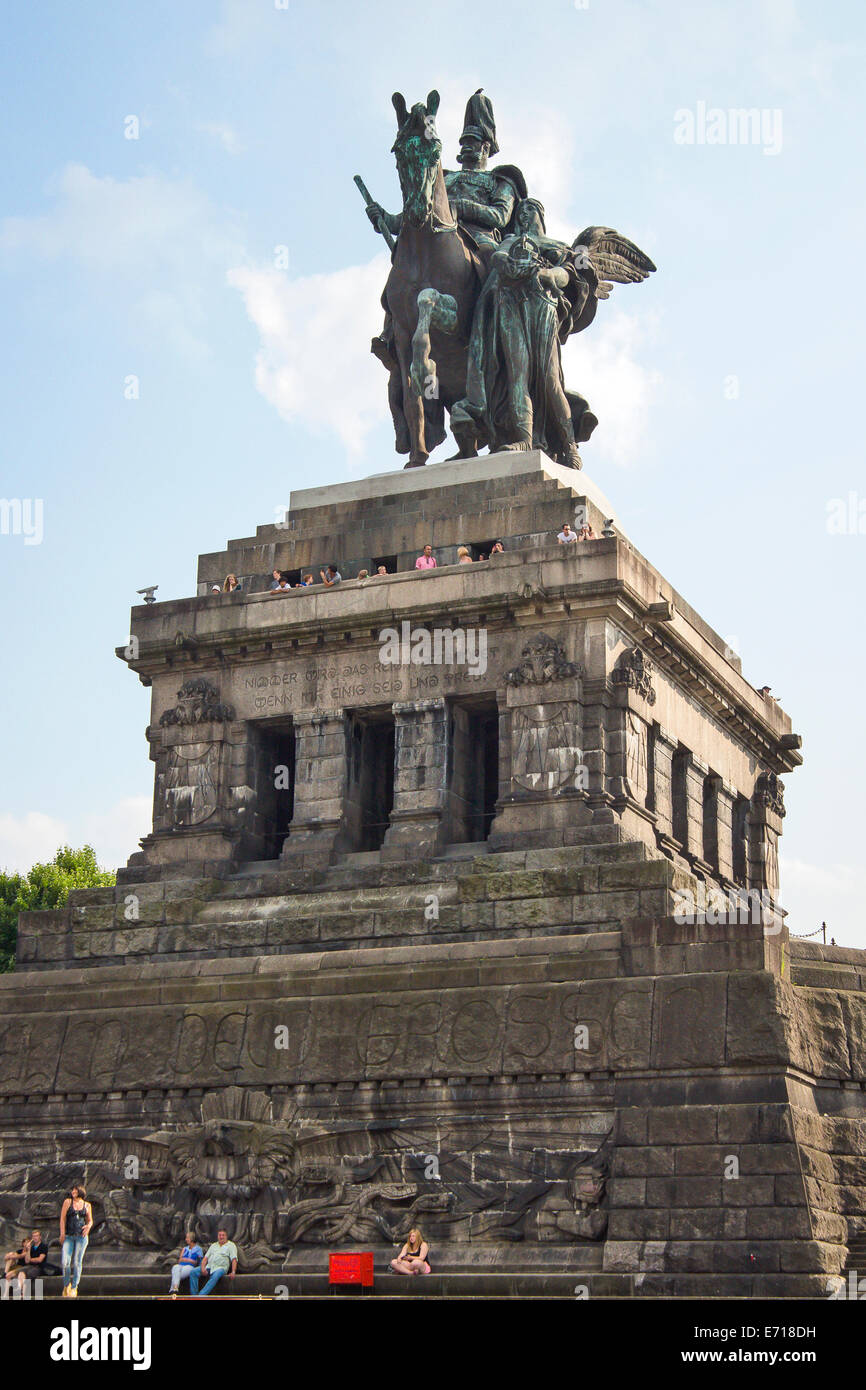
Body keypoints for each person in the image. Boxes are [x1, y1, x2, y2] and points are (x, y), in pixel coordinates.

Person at [60, 1184, 92, 1298]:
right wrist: (62, 1233)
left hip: (81, 1237)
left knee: (77, 1262)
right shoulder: (67, 1202)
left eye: (75, 1190)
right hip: (69, 1236)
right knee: (65, 1262)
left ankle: (74, 1287)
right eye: (72, 1189)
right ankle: (66, 1284)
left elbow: (90, 1220)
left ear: (80, 1191)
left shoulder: (87, 1205)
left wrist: (88, 1227)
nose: (73, 1191)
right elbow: (63, 1219)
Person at [190, 1229, 238, 1297]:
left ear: (226, 1236)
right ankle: (194, 1296)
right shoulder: (213, 1245)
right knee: (193, 1272)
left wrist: (233, 1271)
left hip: (221, 1268)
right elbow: (205, 1258)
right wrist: (203, 1268)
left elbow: (234, 1259)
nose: (221, 1237)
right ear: (217, 1236)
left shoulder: (231, 1245)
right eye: (219, 1235)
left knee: (215, 1276)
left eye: (223, 1235)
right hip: (209, 1267)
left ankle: (201, 1296)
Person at [3, 1230, 49, 1297]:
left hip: (38, 1267)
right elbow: (27, 1261)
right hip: (29, 1266)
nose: (35, 1238)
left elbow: (39, 1260)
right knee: (9, 1275)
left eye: (37, 1236)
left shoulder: (43, 1246)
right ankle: (5, 1295)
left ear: (40, 1237)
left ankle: (22, 1294)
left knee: (27, 1276)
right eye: (34, 1236)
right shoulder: (31, 1247)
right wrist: (28, 1250)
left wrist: (30, 1259)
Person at [169, 1230, 203, 1297]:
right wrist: (190, 1260)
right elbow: (180, 1260)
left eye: (187, 1238)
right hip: (181, 1265)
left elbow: (197, 1261)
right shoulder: (184, 1248)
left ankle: (173, 1290)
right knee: (175, 1267)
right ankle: (175, 1289)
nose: (186, 1239)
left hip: (190, 1267)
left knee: (176, 1274)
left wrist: (186, 1260)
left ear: (192, 1239)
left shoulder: (199, 1249)